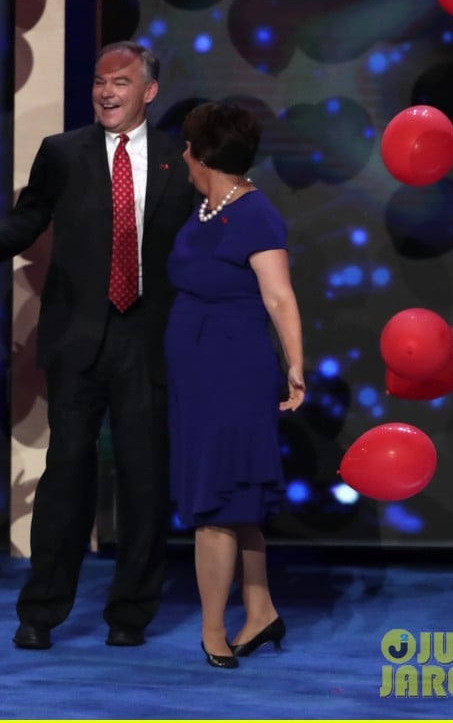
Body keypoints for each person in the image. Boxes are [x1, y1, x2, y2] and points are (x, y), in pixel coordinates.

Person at [0, 41, 194, 649]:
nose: (108, 92)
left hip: (147, 339)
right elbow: (29, 217)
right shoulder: (63, 152)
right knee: (66, 480)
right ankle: (42, 611)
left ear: (149, 91)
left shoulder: (178, 159)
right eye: (100, 81)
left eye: (122, 82)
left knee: (144, 482)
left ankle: (130, 614)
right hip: (79, 338)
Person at [164, 101, 305, 669]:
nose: (183, 155)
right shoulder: (204, 207)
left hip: (233, 368)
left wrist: (296, 365)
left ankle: (212, 630)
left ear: (203, 154)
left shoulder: (256, 214)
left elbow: (278, 295)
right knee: (235, 493)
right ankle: (261, 609)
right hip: (196, 370)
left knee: (216, 500)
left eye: (188, 146)